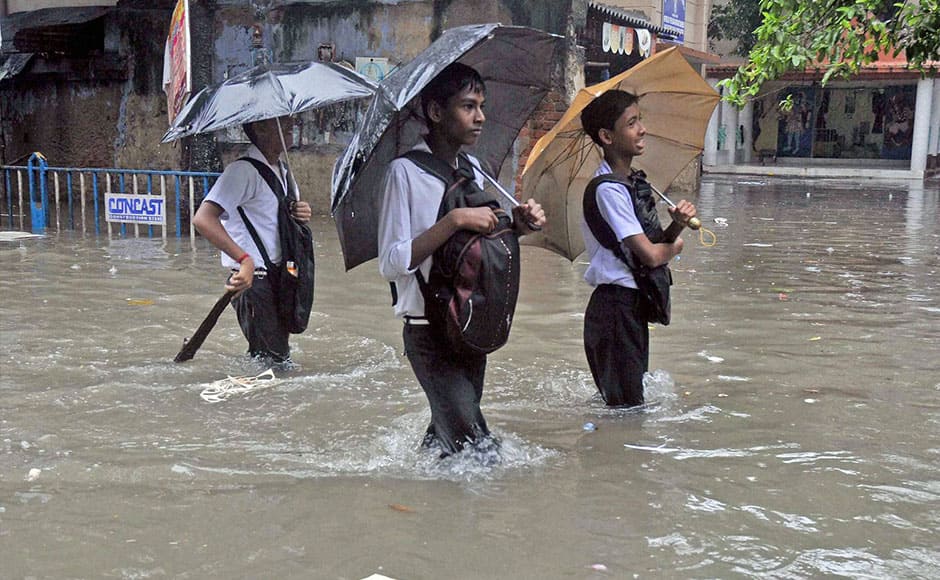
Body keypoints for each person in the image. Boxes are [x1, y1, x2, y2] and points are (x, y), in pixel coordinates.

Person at [377, 63, 546, 458]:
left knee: (449, 440)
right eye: (468, 106)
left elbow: (476, 249)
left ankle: (421, 499)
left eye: (481, 106)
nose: (480, 117)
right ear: (436, 112)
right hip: (428, 332)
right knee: (478, 450)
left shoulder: (471, 169)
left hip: (468, 324)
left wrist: (517, 227)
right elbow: (391, 262)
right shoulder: (403, 173)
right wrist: (454, 220)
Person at [579, 90, 696, 407]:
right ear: (606, 136)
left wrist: (677, 225)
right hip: (615, 310)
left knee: (628, 405)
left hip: (628, 308)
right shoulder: (609, 191)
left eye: (639, 120)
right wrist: (677, 245)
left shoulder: (628, 183)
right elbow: (649, 255)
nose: (642, 129)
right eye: (632, 123)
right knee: (626, 410)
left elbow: (652, 246)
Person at [192, 116, 312, 367]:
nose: (291, 124)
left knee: (275, 357)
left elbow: (275, 221)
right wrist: (244, 260)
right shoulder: (242, 171)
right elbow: (203, 219)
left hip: (280, 277)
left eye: (290, 120)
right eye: (281, 121)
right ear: (259, 128)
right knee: (273, 362)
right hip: (254, 280)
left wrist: (300, 212)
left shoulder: (283, 170)